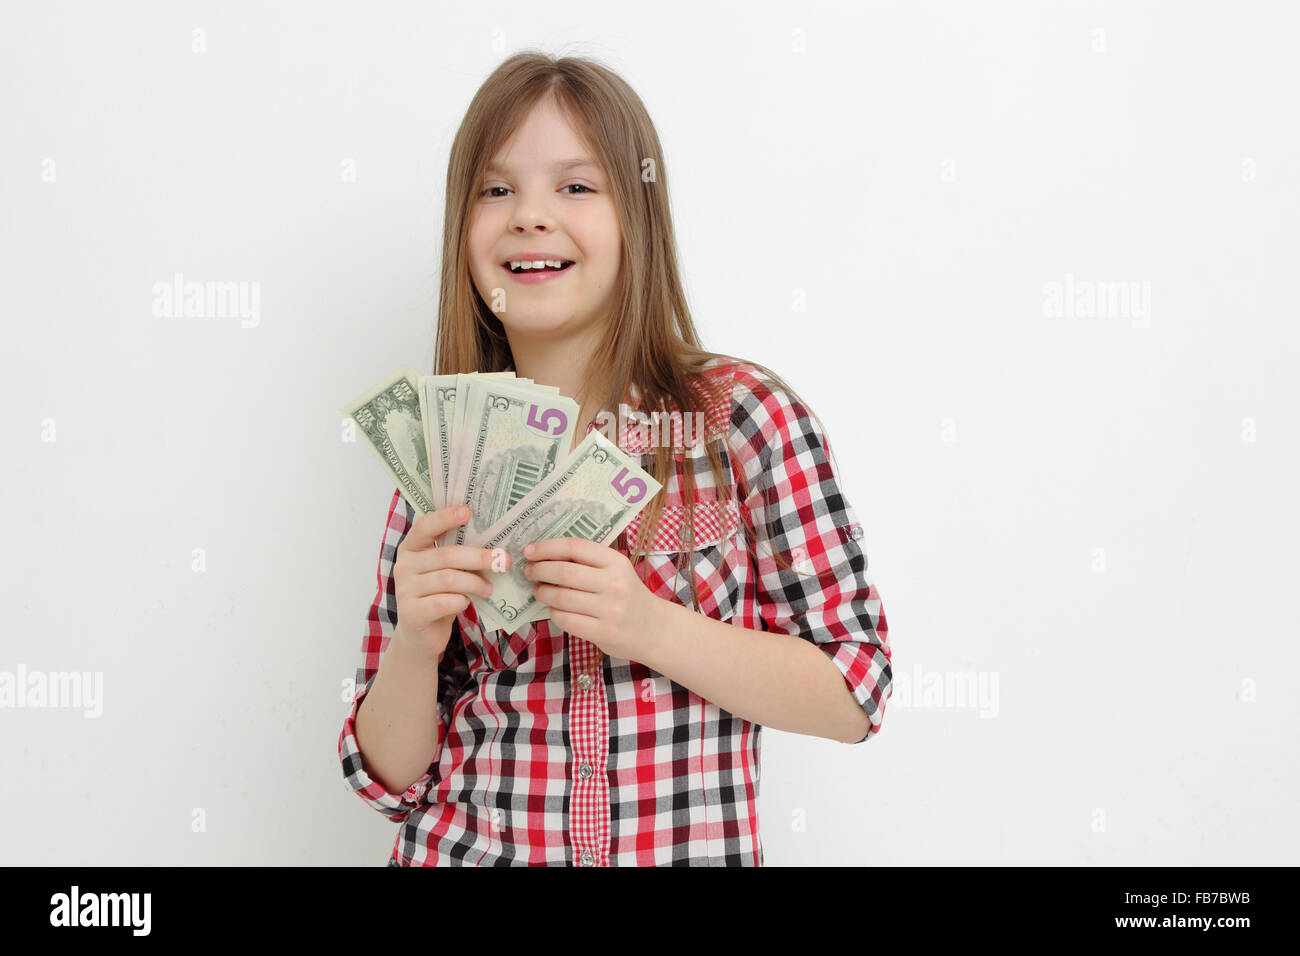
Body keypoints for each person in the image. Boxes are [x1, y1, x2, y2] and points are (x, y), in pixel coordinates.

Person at [338, 51, 892, 866]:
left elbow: (855, 690)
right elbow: (386, 781)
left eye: (575, 185)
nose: (530, 215)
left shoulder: (743, 422)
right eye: (496, 189)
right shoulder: (443, 457)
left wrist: (649, 626)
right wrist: (415, 647)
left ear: (637, 216)